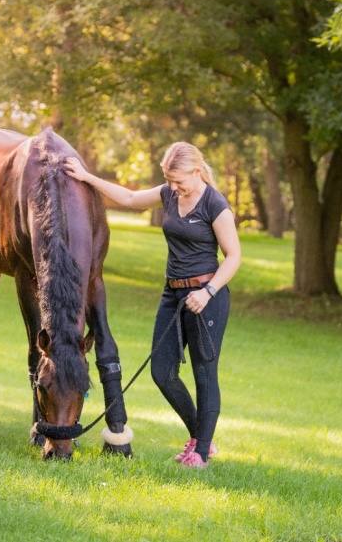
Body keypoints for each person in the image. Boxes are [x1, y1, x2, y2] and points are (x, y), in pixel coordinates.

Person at [64, 142, 241, 468]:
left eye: (179, 181)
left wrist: (208, 292)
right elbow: (130, 198)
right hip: (173, 295)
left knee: (205, 374)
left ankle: (200, 453)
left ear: (196, 172)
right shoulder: (169, 194)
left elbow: (234, 257)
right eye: (169, 180)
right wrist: (87, 178)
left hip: (206, 298)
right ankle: (201, 436)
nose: (174, 187)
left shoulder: (215, 205)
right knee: (162, 373)